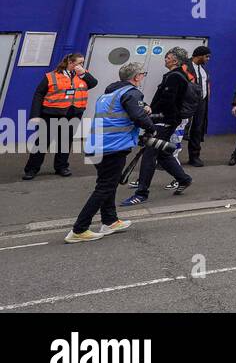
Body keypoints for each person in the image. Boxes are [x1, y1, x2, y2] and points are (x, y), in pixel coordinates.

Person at [66, 62, 155, 243]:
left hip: (97, 145)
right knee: (105, 187)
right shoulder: (132, 93)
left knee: (108, 184)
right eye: (142, 74)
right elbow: (137, 116)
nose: (142, 77)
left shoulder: (108, 94)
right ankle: (79, 229)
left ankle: (110, 221)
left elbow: (124, 111)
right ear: (136, 76)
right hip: (113, 147)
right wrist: (151, 128)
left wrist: (142, 107)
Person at [121, 47, 193, 205]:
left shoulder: (175, 77)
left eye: (168, 57)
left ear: (175, 60)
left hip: (164, 121)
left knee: (149, 154)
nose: (165, 59)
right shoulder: (177, 75)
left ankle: (141, 193)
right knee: (162, 154)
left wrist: (152, 111)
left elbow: (168, 100)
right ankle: (184, 179)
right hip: (166, 120)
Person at [24, 52, 98, 179]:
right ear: (70, 63)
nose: (82, 65)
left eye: (82, 63)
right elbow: (38, 95)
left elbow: (93, 83)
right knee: (42, 142)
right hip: (51, 113)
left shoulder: (82, 75)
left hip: (73, 114)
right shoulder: (52, 76)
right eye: (79, 62)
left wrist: (83, 73)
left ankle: (61, 167)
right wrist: (35, 115)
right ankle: (31, 169)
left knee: (65, 142)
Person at [186, 45, 212, 166]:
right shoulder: (185, 67)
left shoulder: (203, 69)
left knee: (197, 129)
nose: (208, 59)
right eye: (207, 56)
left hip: (201, 103)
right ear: (200, 55)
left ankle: (194, 156)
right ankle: (166, 157)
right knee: (179, 129)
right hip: (187, 103)